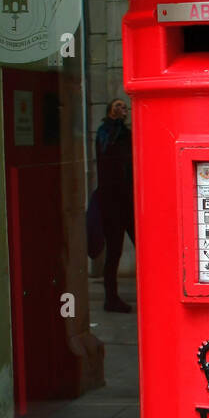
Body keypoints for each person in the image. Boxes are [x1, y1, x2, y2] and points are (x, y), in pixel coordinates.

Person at [95, 99, 135, 313]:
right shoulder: (105, 132)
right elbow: (105, 152)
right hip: (111, 201)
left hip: (127, 198)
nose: (123, 109)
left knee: (144, 246)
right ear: (110, 110)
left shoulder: (126, 134)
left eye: (124, 106)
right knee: (114, 251)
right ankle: (111, 298)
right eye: (118, 105)